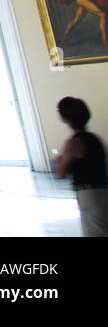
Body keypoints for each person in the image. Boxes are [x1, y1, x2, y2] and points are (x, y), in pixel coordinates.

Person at [54, 96, 108, 236]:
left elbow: (61, 173)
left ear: (65, 118)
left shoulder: (73, 143)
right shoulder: (95, 138)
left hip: (89, 196)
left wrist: (59, 160)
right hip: (103, 191)